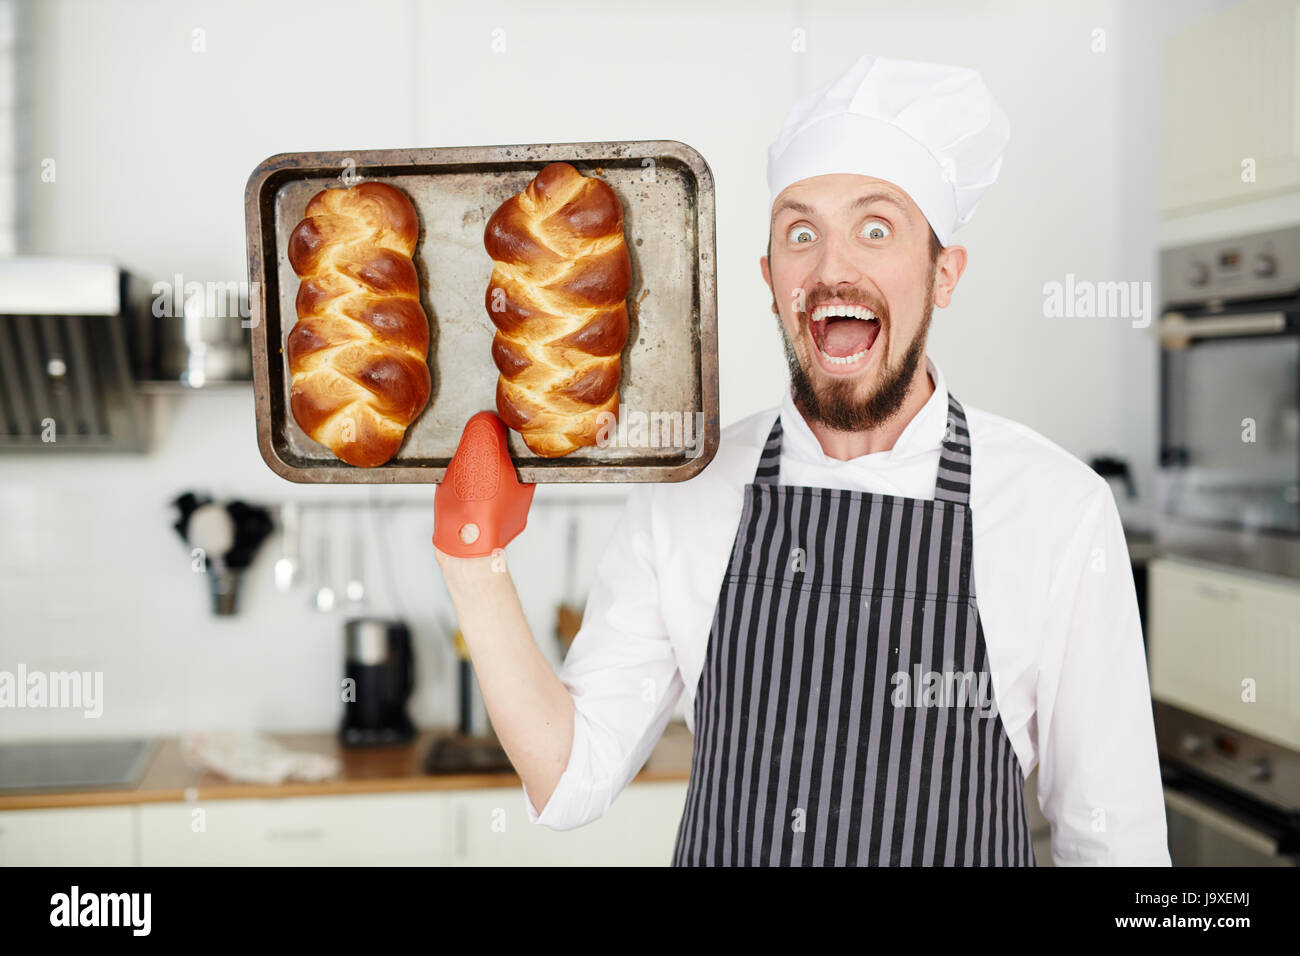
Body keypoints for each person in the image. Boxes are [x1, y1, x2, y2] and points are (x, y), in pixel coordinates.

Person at [432, 53, 1170, 866]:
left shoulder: (1057, 507)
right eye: (801, 233)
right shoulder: (691, 486)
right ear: (769, 277)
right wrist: (475, 563)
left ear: (944, 274)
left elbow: (1116, 844)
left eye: (877, 228)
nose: (832, 268)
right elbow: (569, 775)